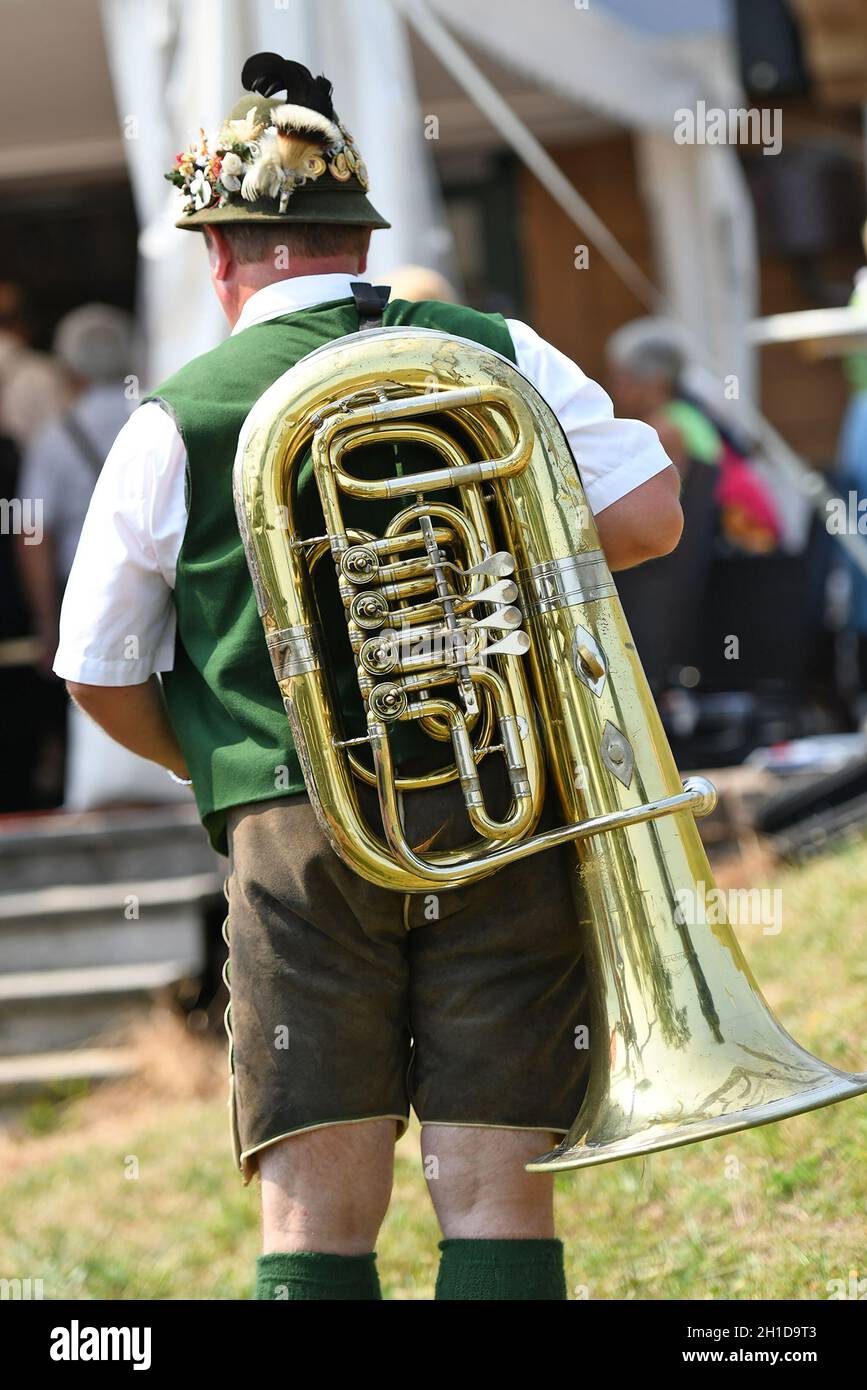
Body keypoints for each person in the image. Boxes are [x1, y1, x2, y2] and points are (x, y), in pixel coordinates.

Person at [54, 53, 682, 1301]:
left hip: (296, 830)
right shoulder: (494, 347)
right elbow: (653, 514)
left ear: (219, 256)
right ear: (360, 233)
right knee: (497, 1188)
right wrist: (485, 542)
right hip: (502, 792)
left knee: (316, 1206)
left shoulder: (172, 416)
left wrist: (234, 764)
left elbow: (98, 668)